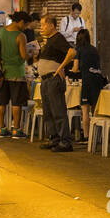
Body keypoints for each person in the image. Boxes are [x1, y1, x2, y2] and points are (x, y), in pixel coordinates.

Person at [36, 15, 77, 152]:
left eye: (43, 25)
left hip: (53, 80)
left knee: (58, 110)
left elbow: (72, 52)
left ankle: (65, 141)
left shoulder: (58, 38)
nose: (41, 28)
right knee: (48, 111)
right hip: (45, 80)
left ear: (51, 25)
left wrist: (61, 67)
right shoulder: (49, 41)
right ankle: (54, 139)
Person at [61, 28, 103, 140]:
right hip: (98, 81)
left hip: (87, 81)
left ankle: (86, 136)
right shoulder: (95, 49)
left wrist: (74, 71)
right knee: (95, 110)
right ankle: (98, 137)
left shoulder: (78, 50)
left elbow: (75, 68)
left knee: (85, 110)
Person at [0, 11, 30, 137]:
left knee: (1, 101)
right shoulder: (20, 36)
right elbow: (24, 55)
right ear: (21, 22)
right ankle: (16, 129)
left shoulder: (1, 31)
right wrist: (31, 53)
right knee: (16, 102)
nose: (25, 28)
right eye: (25, 25)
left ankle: (1, 128)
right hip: (17, 72)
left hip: (2, 72)